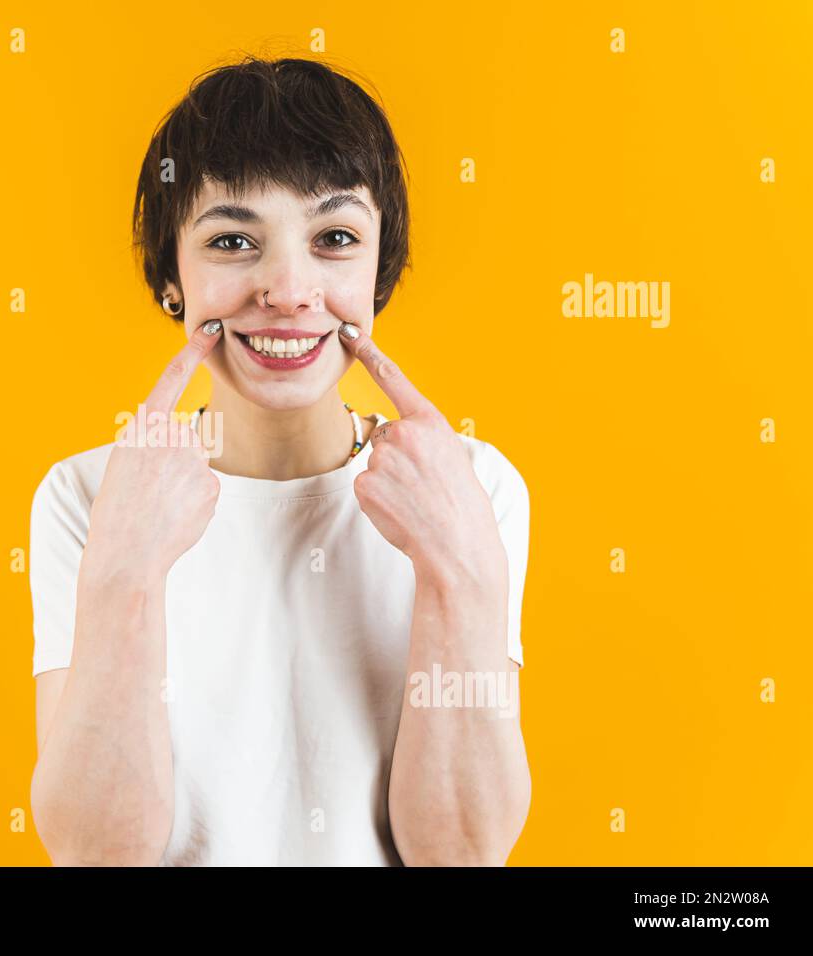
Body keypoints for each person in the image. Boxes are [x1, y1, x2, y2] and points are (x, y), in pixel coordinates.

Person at [28, 55, 531, 866]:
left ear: (380, 271)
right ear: (171, 279)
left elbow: (461, 854)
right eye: (232, 240)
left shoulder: (472, 486)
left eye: (335, 238)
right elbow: (95, 853)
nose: (289, 289)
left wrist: (458, 573)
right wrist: (123, 572)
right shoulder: (86, 493)